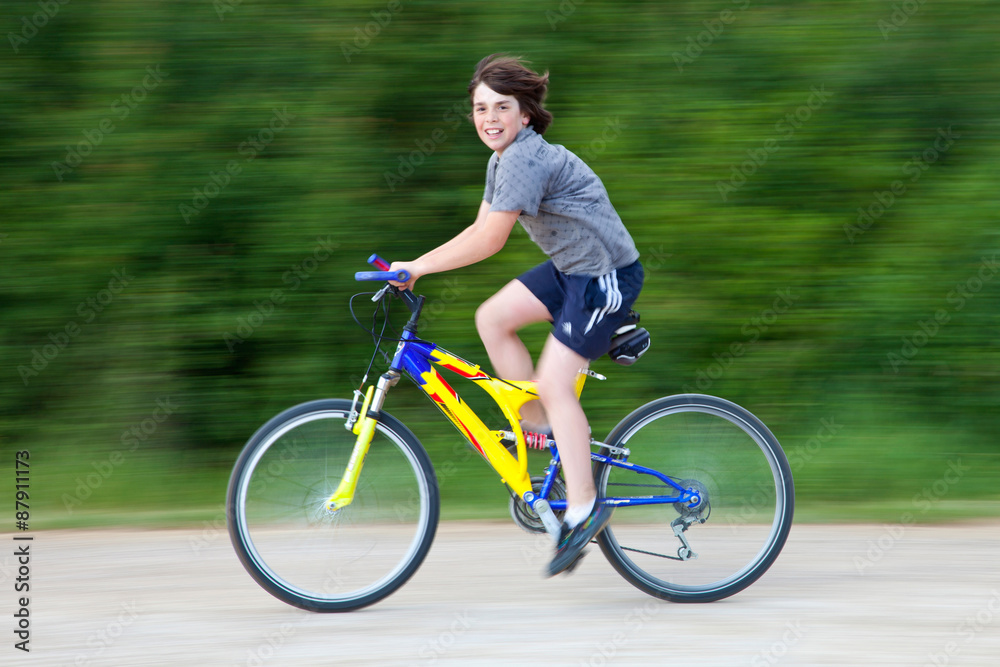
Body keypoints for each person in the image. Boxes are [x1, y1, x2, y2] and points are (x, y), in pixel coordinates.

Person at [390, 54, 643, 576]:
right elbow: (477, 228)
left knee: (553, 383)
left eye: (501, 107)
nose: (489, 118)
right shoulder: (501, 160)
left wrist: (420, 267)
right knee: (493, 318)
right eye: (480, 108)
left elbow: (490, 241)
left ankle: (584, 508)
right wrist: (416, 265)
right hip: (571, 269)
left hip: (604, 275)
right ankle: (543, 433)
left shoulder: (526, 158)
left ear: (524, 114)